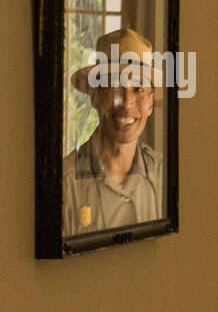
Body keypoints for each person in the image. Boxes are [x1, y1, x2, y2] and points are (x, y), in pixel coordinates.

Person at [62, 27, 166, 237]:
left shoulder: (163, 175)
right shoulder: (66, 183)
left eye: (138, 89)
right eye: (114, 87)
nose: (126, 103)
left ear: (150, 103)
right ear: (94, 96)